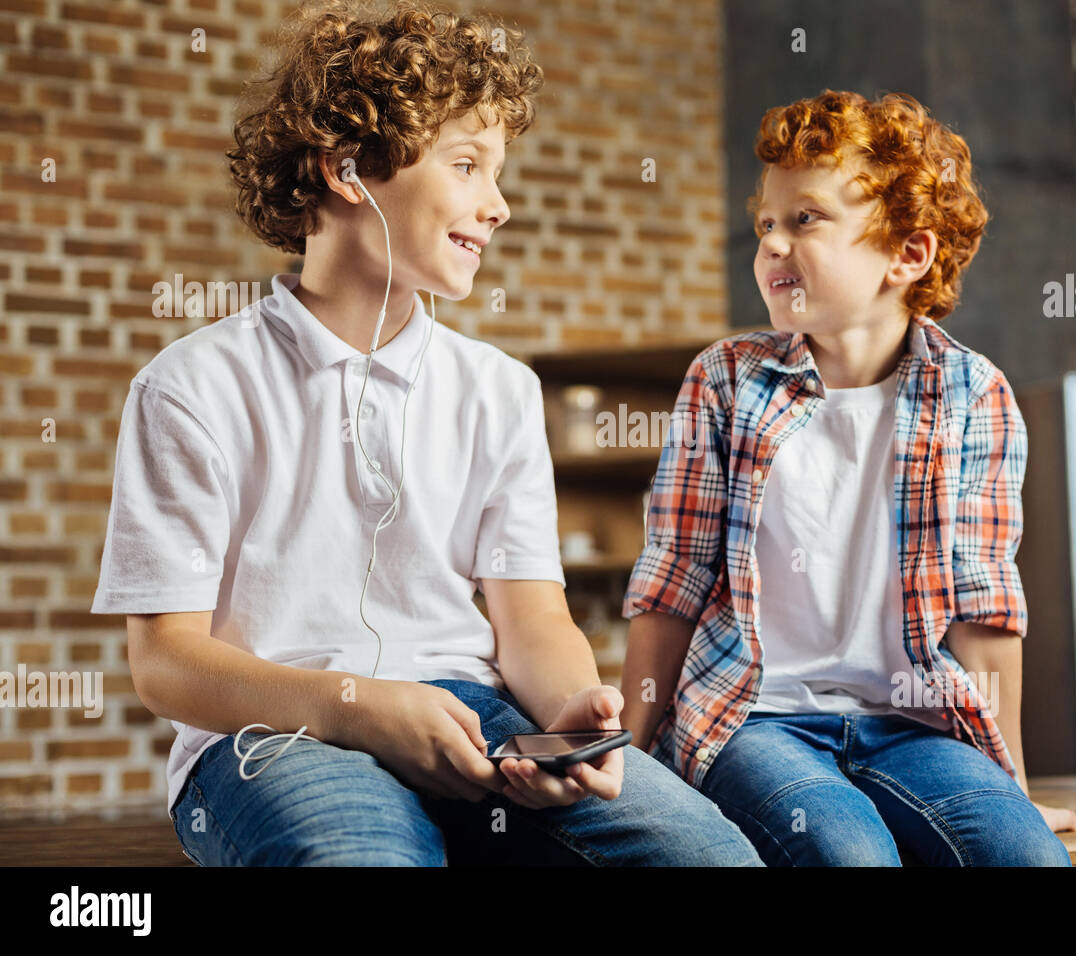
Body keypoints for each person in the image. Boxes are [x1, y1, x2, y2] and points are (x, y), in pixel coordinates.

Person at [90, 0, 760, 867]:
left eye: (498, 172)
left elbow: (531, 622)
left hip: (471, 716)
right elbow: (167, 665)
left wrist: (567, 713)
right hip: (277, 734)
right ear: (346, 169)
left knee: (709, 857)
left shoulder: (499, 391)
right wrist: (355, 705)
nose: (500, 205)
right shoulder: (190, 387)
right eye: (468, 164)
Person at [620, 89, 1076, 866]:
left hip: (913, 724)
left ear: (908, 255)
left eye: (805, 219)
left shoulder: (975, 394)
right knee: (848, 853)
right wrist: (628, 765)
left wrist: (1016, 792)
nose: (771, 243)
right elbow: (673, 584)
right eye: (764, 223)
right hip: (755, 720)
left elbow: (986, 609)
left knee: (1024, 857)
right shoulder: (725, 382)